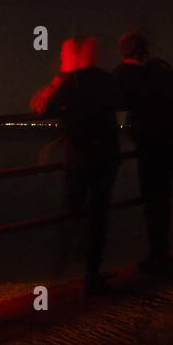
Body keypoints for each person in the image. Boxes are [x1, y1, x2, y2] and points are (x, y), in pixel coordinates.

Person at [31, 35, 121, 294]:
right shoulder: (106, 79)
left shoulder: (69, 82)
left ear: (72, 56)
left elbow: (42, 108)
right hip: (107, 156)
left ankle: (59, 271)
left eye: (63, 55)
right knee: (99, 212)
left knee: (73, 210)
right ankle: (91, 272)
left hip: (80, 158)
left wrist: (55, 84)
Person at [113, 32, 173, 272]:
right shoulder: (161, 69)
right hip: (171, 138)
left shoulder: (123, 74)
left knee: (152, 196)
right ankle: (161, 250)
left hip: (148, 141)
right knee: (162, 195)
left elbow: (114, 100)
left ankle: (157, 252)